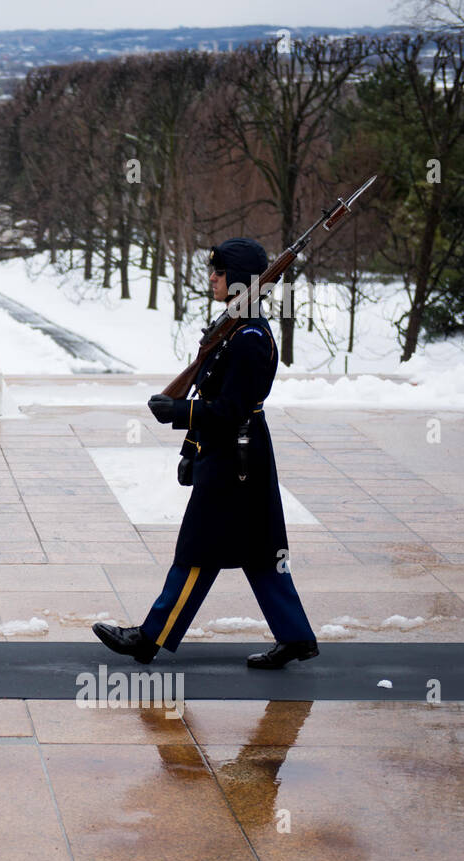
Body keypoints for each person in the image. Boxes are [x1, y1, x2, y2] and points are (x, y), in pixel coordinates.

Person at [93, 237, 319, 669]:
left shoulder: (250, 338)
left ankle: (149, 638)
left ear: (239, 283)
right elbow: (213, 391)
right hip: (232, 452)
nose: (211, 278)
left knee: (198, 551)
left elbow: (231, 409)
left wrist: (180, 411)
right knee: (260, 551)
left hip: (238, 459)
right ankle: (295, 637)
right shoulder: (234, 328)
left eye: (219, 273)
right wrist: (191, 448)